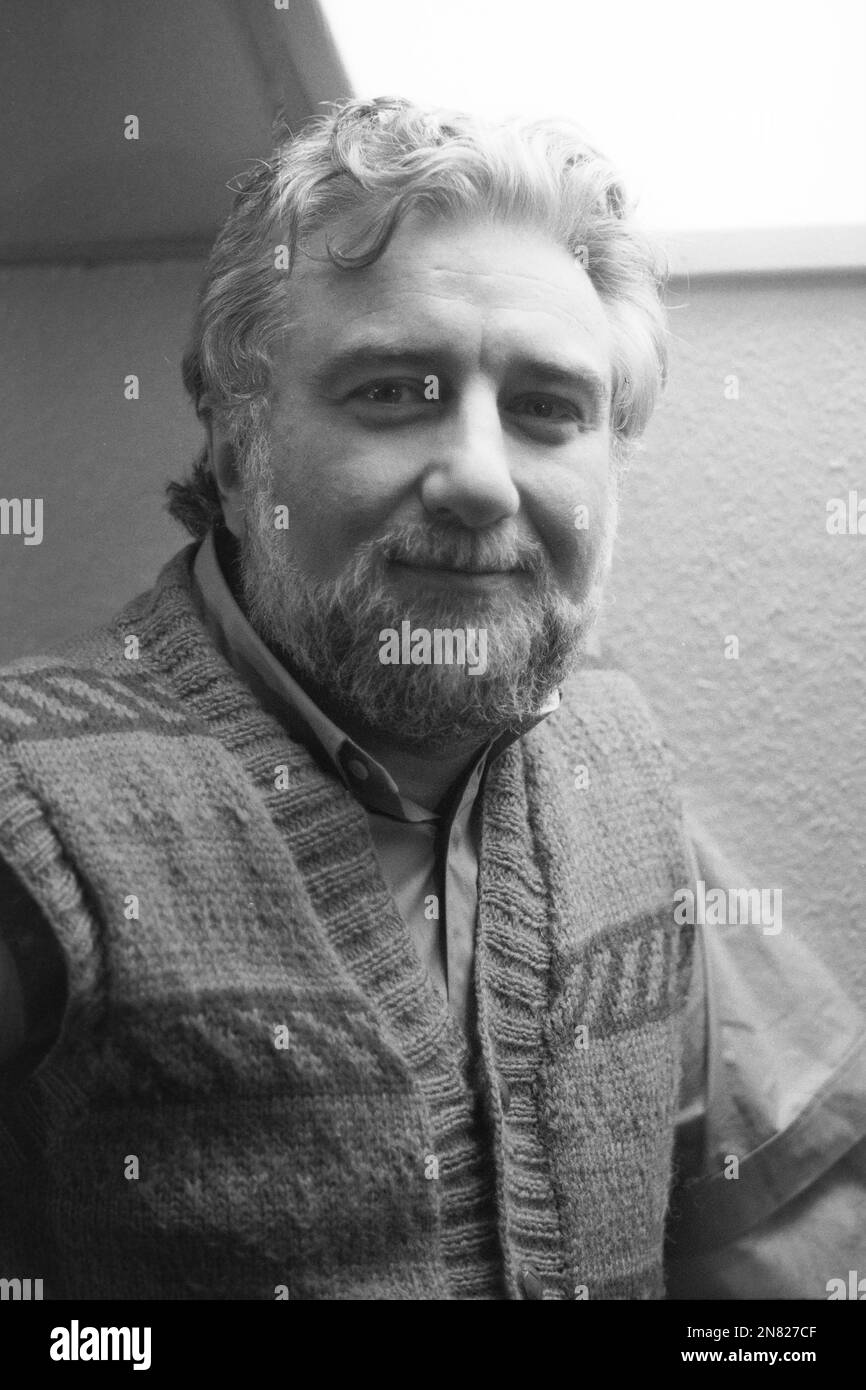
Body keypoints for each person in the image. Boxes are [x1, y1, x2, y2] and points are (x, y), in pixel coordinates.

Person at [0, 97, 862, 1302]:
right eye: (395, 391)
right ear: (237, 437)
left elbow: (779, 1229)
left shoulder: (611, 758)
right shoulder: (36, 814)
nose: (475, 478)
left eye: (545, 410)